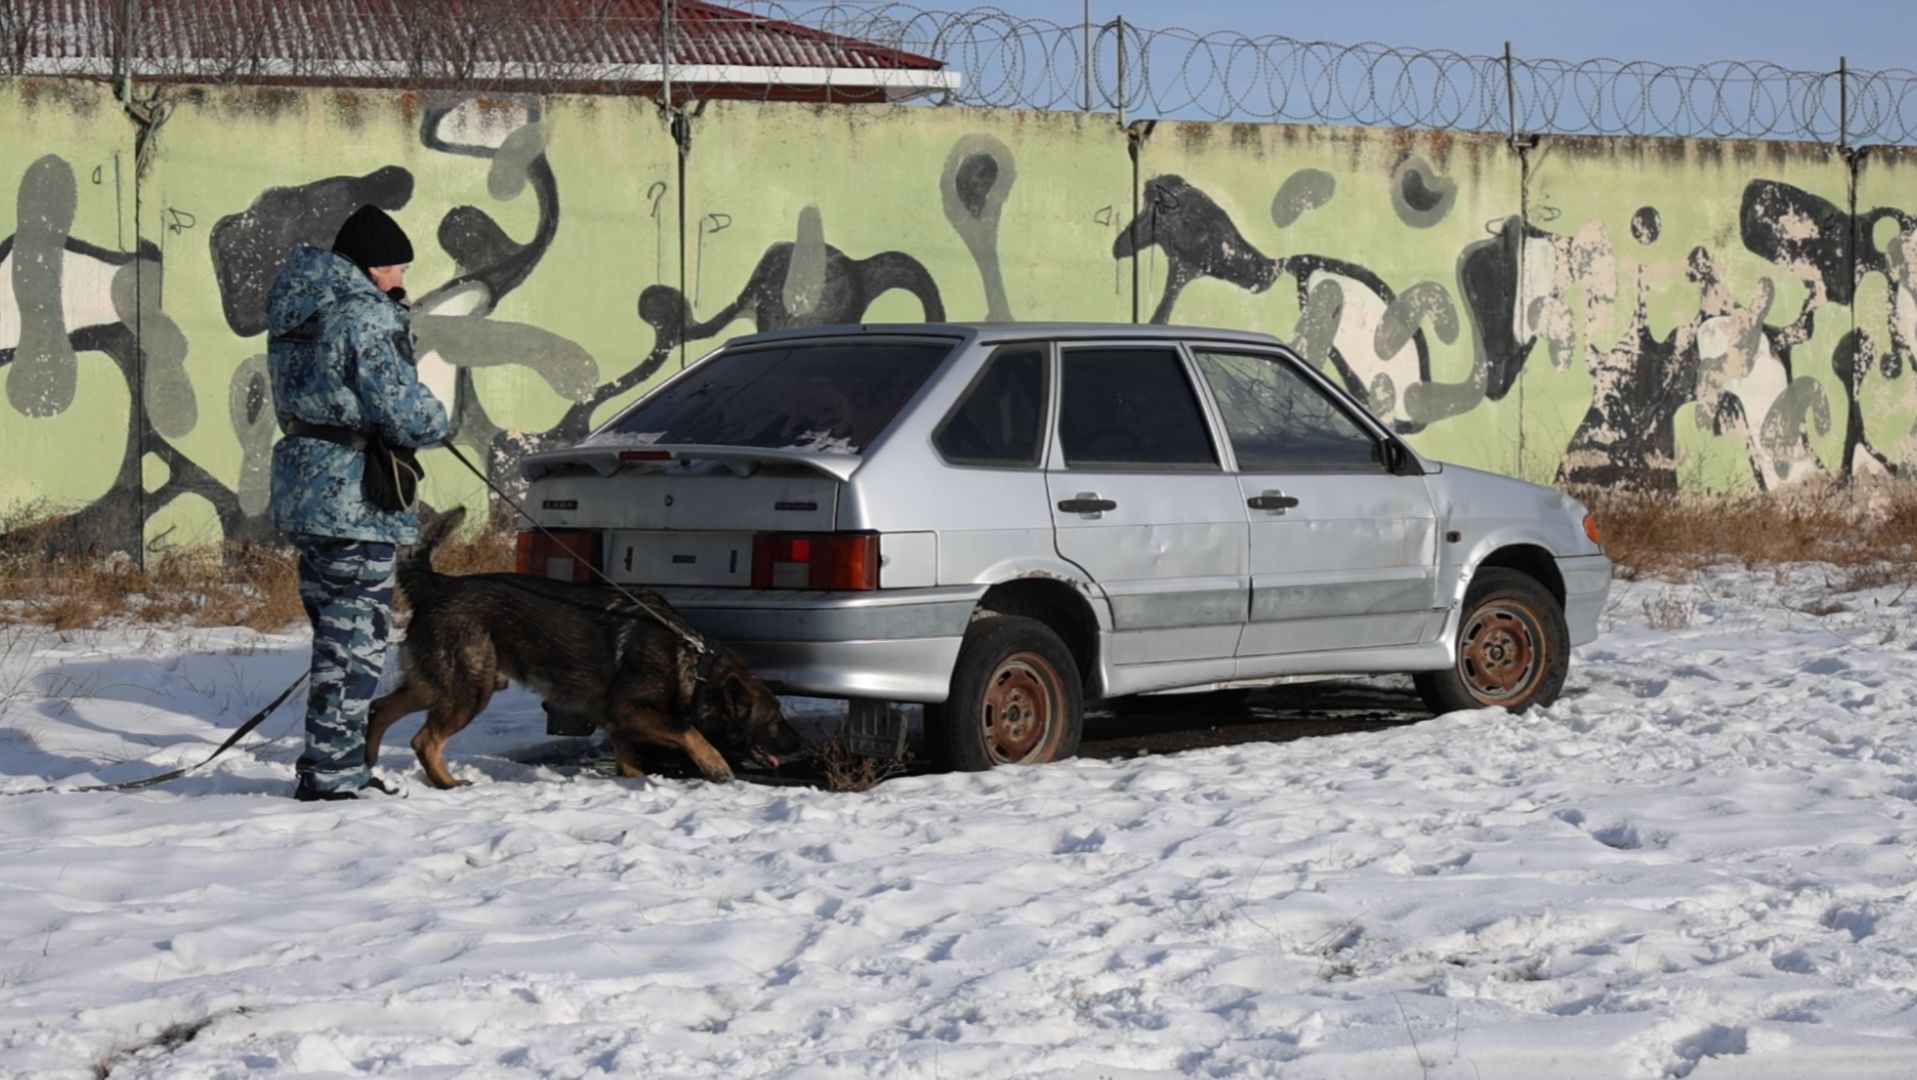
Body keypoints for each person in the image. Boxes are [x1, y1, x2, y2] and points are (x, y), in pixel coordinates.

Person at [266, 205, 450, 801]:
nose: (401, 281)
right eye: (395, 268)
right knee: (354, 646)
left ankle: (331, 764)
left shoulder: (298, 306)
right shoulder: (363, 312)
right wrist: (436, 419)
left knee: (336, 637)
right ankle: (334, 775)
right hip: (354, 495)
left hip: (307, 486)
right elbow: (402, 410)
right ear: (372, 268)